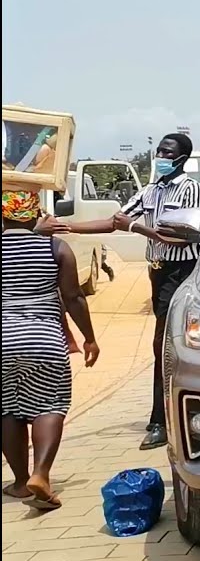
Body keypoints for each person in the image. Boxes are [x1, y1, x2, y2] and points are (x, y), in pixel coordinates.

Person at [61, 133, 200, 450]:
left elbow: (185, 237)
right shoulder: (151, 191)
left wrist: (137, 227)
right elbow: (115, 221)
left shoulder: (190, 189)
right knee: (164, 346)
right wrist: (65, 227)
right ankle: (168, 415)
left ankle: (161, 422)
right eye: (159, 151)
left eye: (167, 152)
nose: (161, 156)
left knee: (162, 345)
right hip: (157, 273)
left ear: (182, 158)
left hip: (182, 272)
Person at [2, 190, 99, 511]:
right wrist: (89, 338)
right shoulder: (55, 247)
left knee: (8, 410)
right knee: (50, 404)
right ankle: (41, 474)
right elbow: (73, 297)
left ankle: (19, 482)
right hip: (44, 338)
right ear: (36, 212)